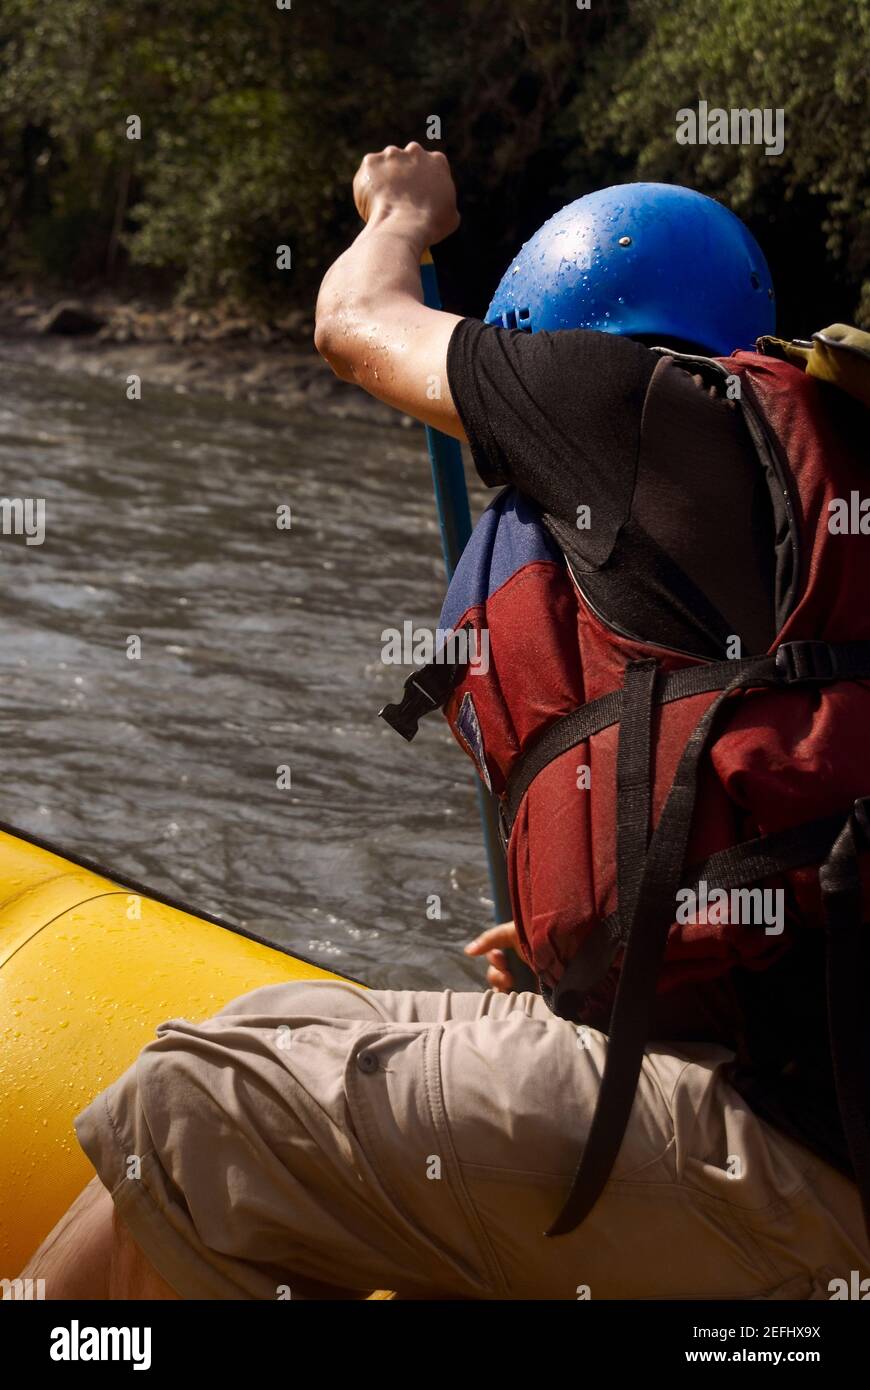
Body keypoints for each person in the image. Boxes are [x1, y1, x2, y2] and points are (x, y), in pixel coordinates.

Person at [21, 143, 870, 1300]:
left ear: (546, 332)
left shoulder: (615, 403)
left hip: (792, 1169)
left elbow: (355, 319)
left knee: (196, 1109)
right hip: (778, 1111)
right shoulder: (772, 495)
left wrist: (402, 214)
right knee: (271, 1017)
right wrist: (590, 948)